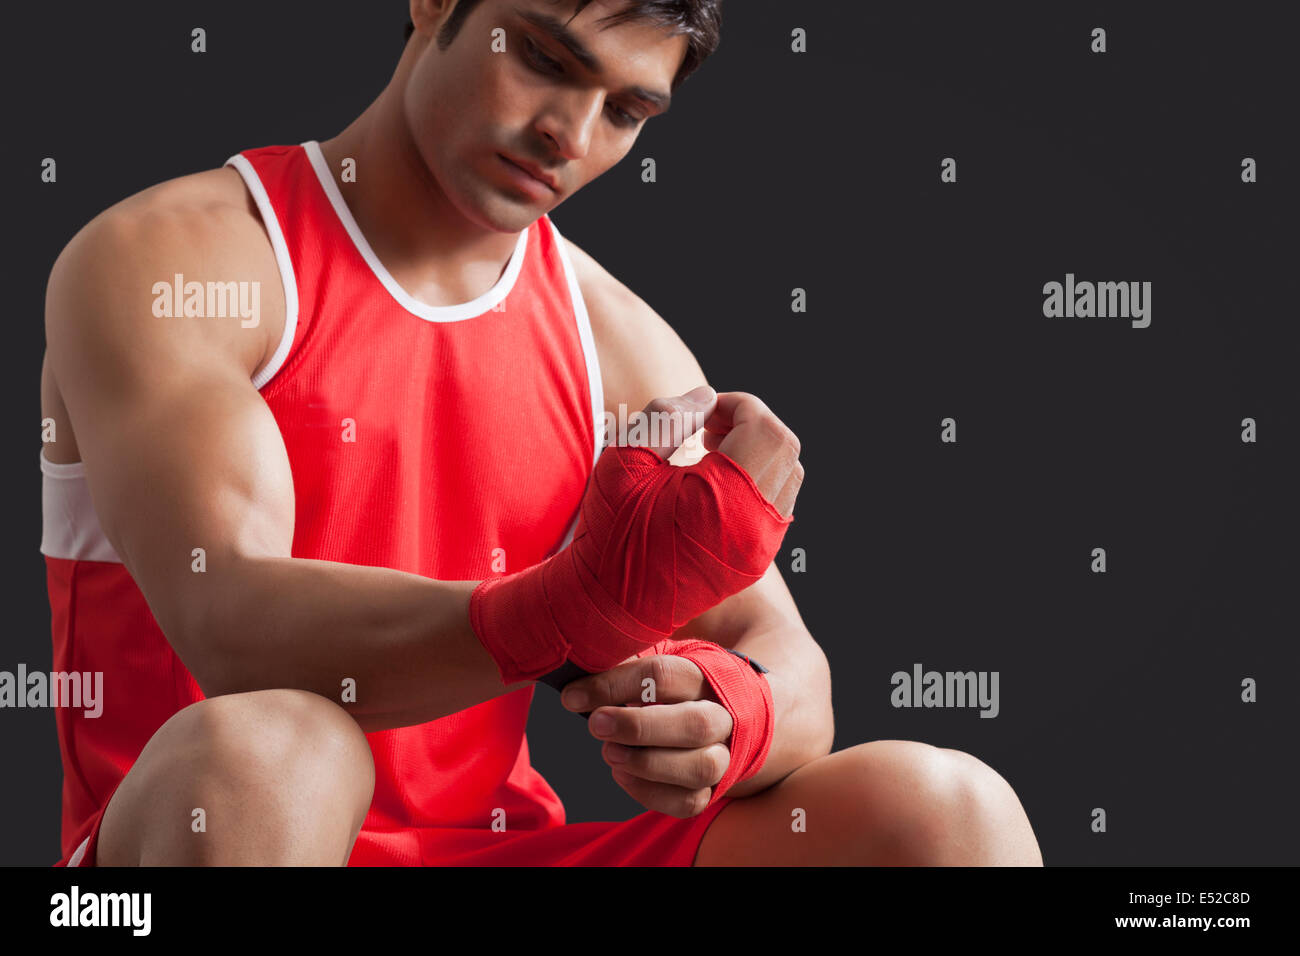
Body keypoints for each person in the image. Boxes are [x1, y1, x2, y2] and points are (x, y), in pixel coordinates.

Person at [40, 0, 1042, 866]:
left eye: (626, 109)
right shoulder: (179, 261)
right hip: (181, 851)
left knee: (946, 811)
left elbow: (793, 665)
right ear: (434, 3)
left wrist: (729, 707)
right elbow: (229, 623)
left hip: (499, 843)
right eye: (544, 60)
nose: (572, 132)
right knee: (277, 747)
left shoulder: (613, 340)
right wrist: (573, 606)